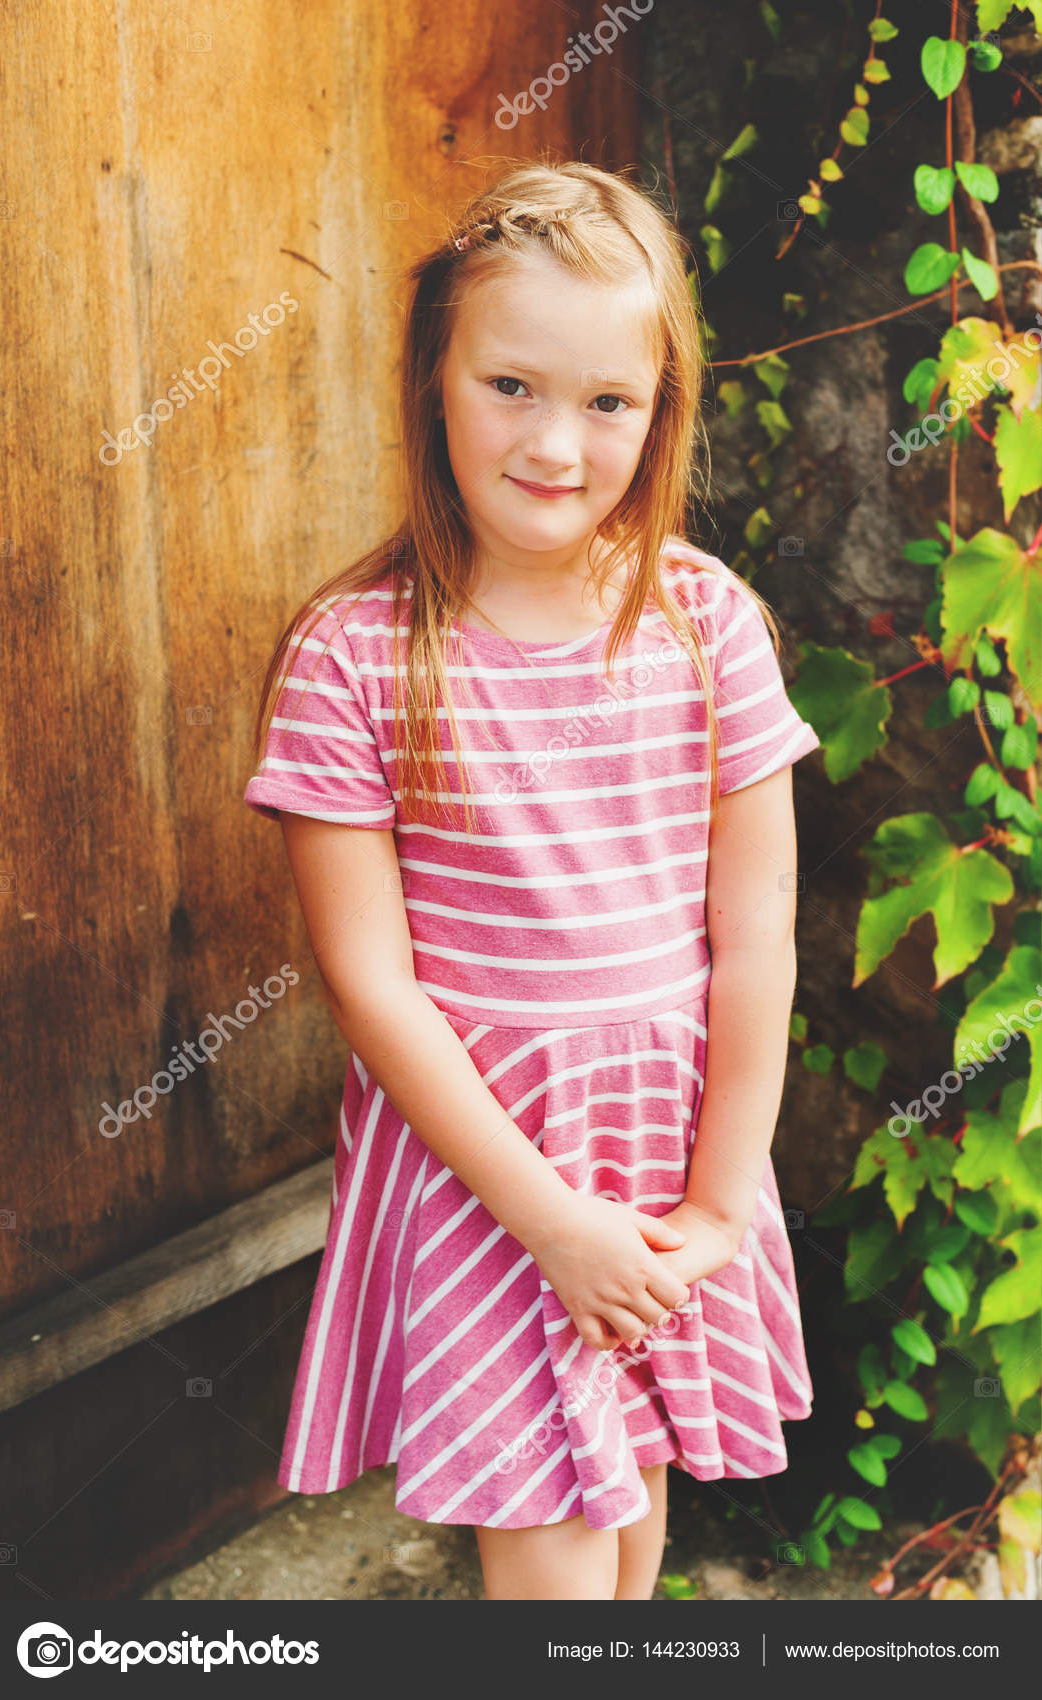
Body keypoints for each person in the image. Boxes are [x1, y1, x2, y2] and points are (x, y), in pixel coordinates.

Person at [243, 159, 821, 1603]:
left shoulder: (705, 628)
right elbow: (368, 981)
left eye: (606, 401)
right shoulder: (355, 654)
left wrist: (719, 1202)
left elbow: (755, 932)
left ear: (659, 410)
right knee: (554, 1564)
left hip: (668, 1151)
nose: (556, 442)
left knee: (627, 1531)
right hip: (488, 1177)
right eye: (510, 385)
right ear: (433, 378)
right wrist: (547, 1221)